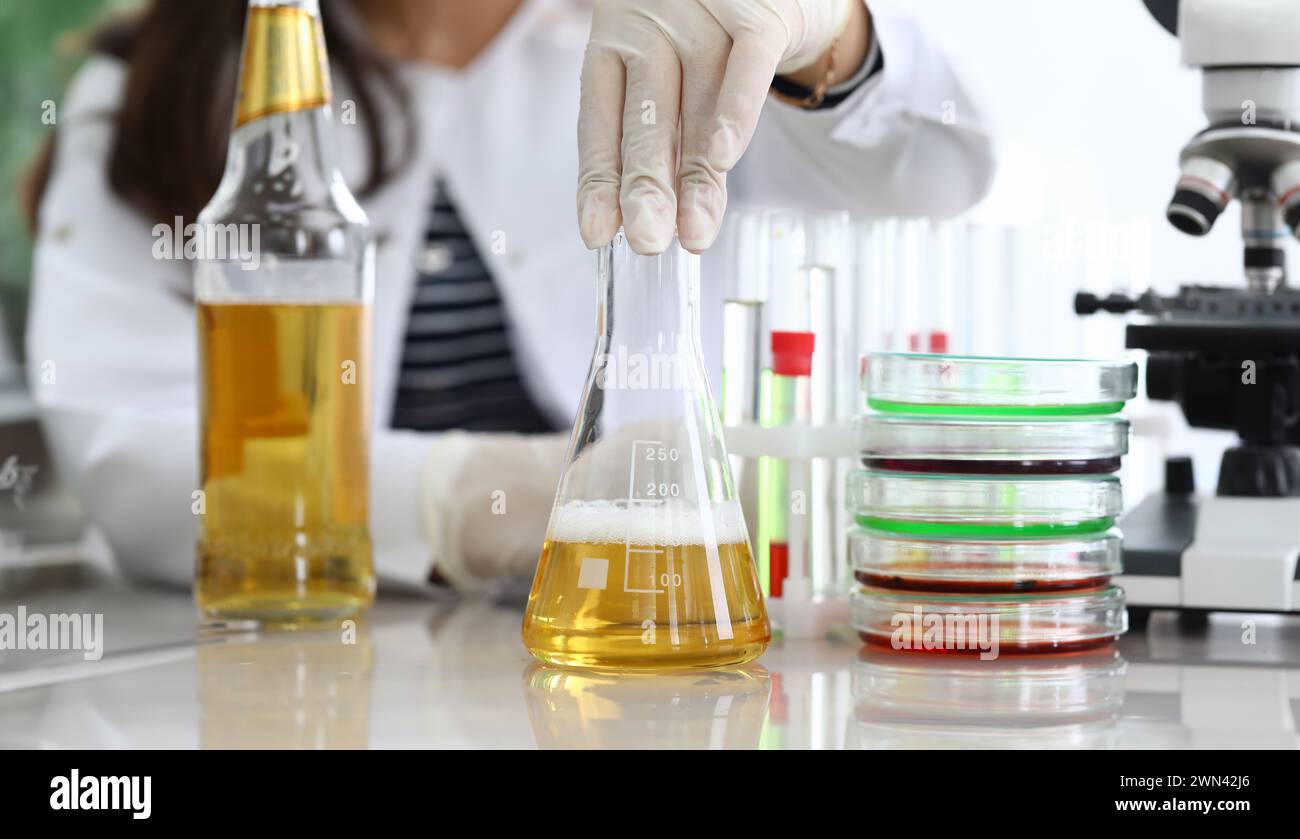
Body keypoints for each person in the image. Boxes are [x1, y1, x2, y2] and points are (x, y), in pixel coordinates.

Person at [23, 0, 993, 594]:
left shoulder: (670, 24)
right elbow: (136, 458)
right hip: (291, 663)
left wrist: (827, 35)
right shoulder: (171, 90)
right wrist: (485, 498)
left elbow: (944, 171)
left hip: (650, 647)